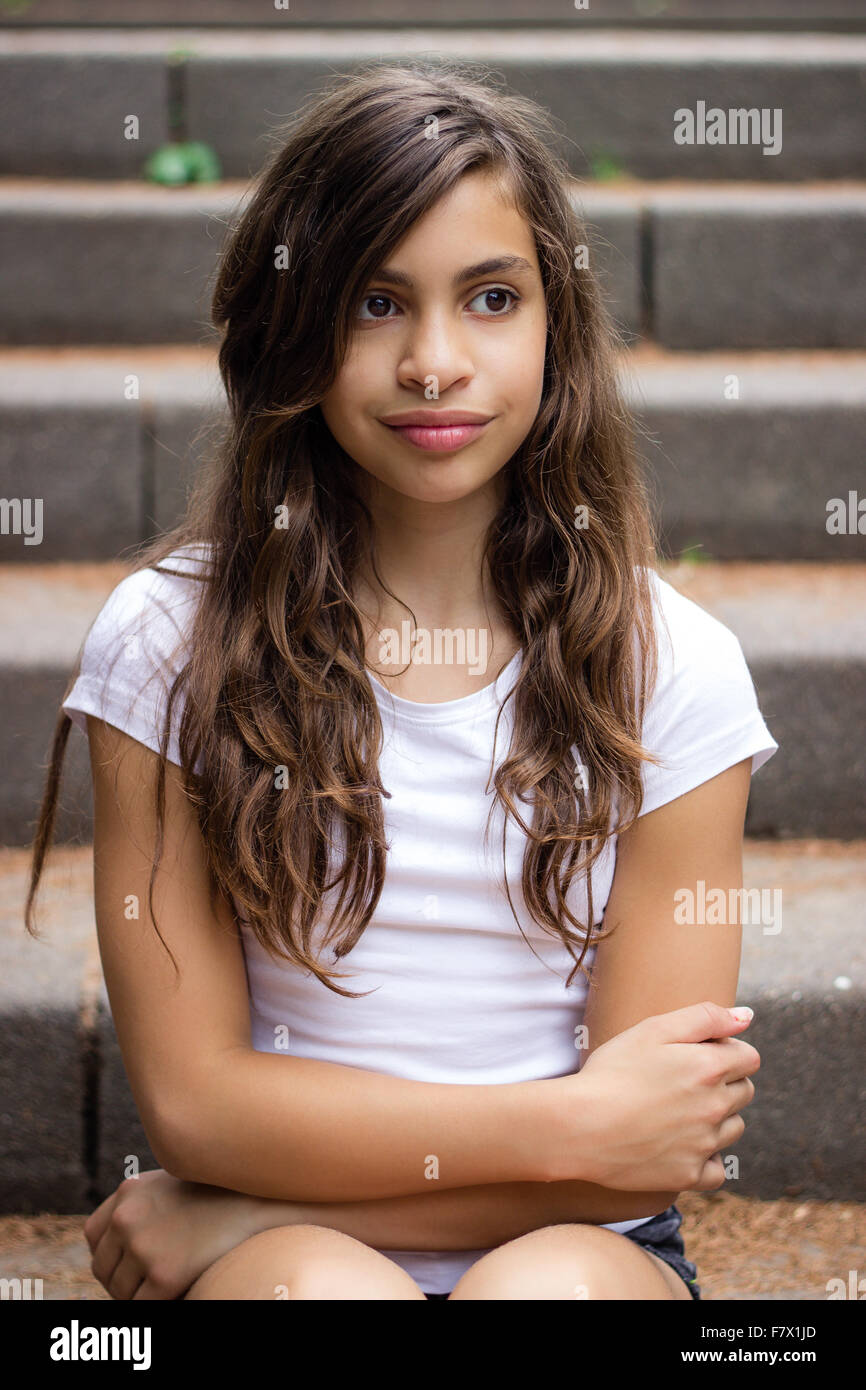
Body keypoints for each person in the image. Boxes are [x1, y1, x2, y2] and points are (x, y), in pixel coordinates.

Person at [25, 60, 776, 1301]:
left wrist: (237, 1203)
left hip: (576, 1251)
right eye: (376, 304)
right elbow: (194, 1099)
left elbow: (636, 1164)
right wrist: (568, 1124)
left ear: (556, 324)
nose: (434, 360)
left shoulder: (672, 665)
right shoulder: (168, 641)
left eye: (490, 297)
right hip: (294, 1256)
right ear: (297, 328)